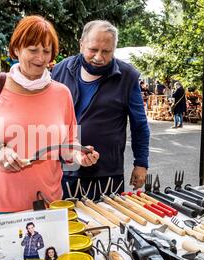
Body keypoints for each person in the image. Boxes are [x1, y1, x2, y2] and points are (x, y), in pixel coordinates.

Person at [0, 15, 100, 218]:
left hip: (46, 203)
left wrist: (80, 156)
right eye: (33, 50)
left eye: (46, 50)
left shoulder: (62, 93)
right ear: (16, 49)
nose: (41, 58)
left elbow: (69, 143)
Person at [51, 20, 150, 197]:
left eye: (106, 52)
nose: (99, 57)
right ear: (81, 45)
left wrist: (141, 163)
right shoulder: (60, 71)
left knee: (107, 224)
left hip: (106, 174)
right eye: (93, 50)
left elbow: (139, 125)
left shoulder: (127, 76)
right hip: (63, 169)